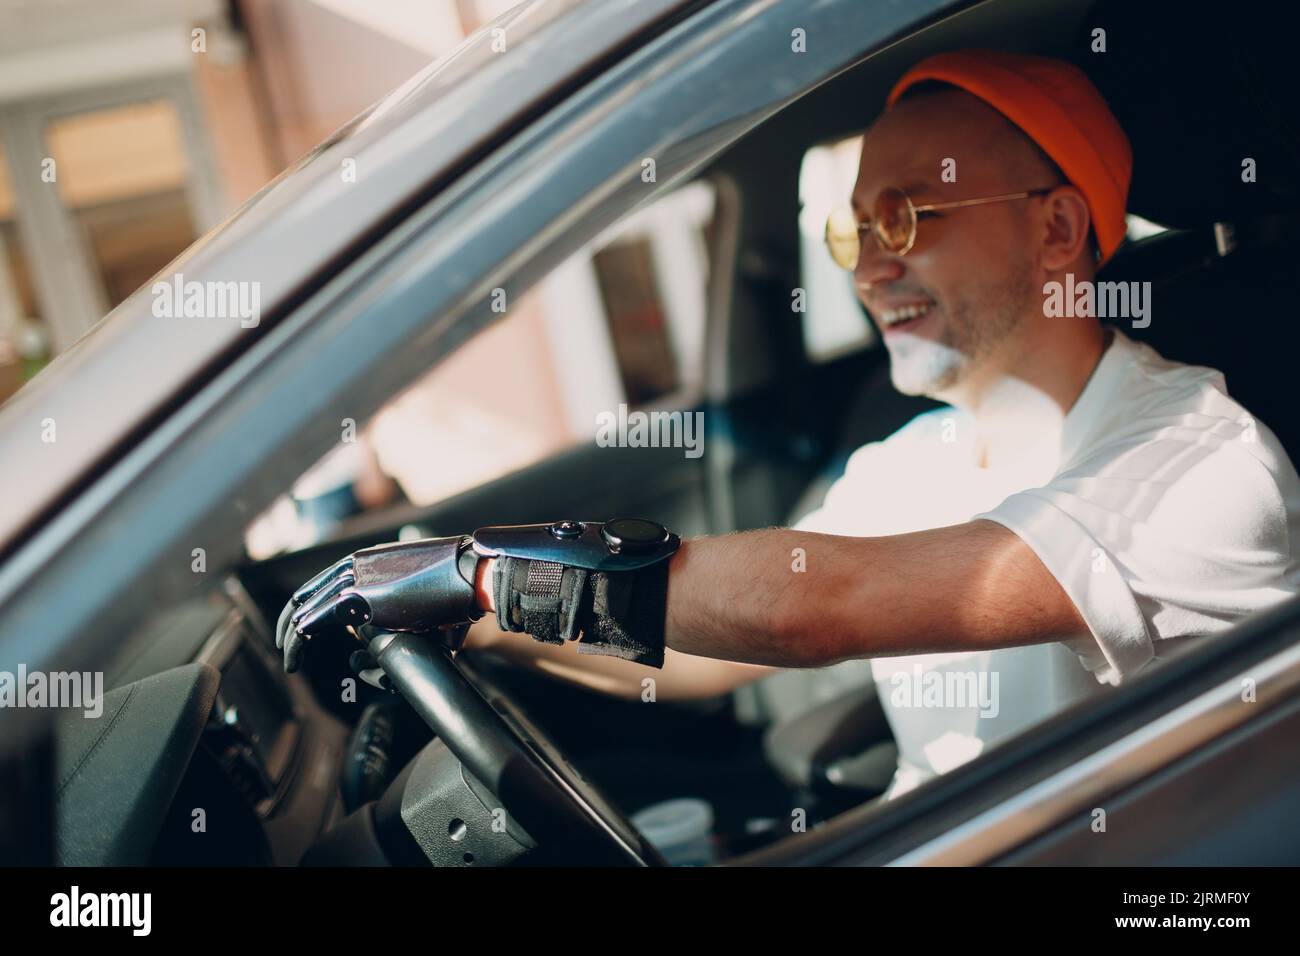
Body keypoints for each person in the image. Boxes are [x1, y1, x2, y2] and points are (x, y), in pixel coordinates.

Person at [283, 50, 1300, 800]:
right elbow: (716, 649)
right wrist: (484, 620)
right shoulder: (916, 461)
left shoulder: (1195, 463)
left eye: (905, 219)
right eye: (856, 230)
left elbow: (814, 607)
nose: (865, 268)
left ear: (1055, 228)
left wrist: (484, 569)